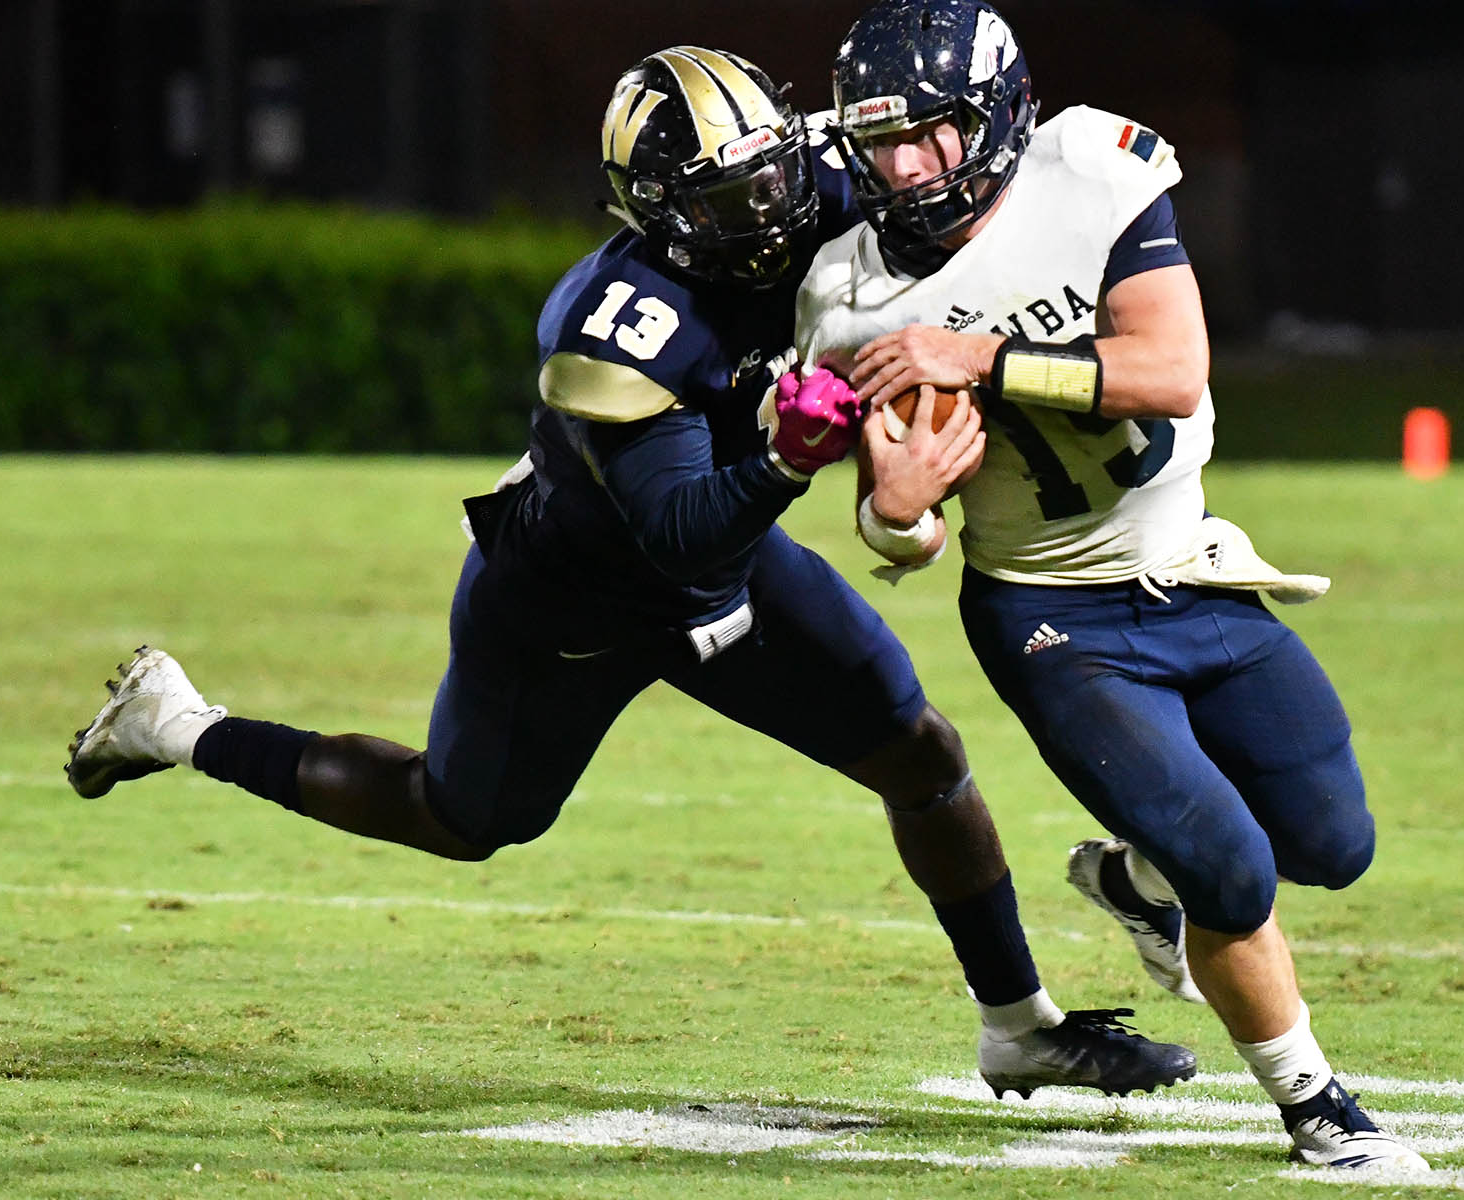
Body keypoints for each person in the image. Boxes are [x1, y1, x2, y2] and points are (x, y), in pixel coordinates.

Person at [65, 45, 1195, 1102]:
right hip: (574, 599)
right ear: (656, 219)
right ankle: (176, 723)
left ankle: (1019, 1024)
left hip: (731, 566)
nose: (770, 214)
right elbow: (681, 533)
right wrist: (789, 454)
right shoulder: (619, 328)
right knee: (459, 818)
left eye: (772, 180)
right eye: (726, 203)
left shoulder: (819, 179)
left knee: (922, 754)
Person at [795, 0, 1429, 1171]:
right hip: (1051, 616)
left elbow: (1172, 370)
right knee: (1232, 870)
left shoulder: (1086, 169)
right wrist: (896, 514)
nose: (904, 165)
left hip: (1188, 568)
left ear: (992, 118)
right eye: (881, 138)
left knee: (1333, 842)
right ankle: (1314, 1107)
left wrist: (977, 354)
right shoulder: (845, 295)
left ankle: (1141, 885)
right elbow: (901, 529)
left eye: (931, 133)